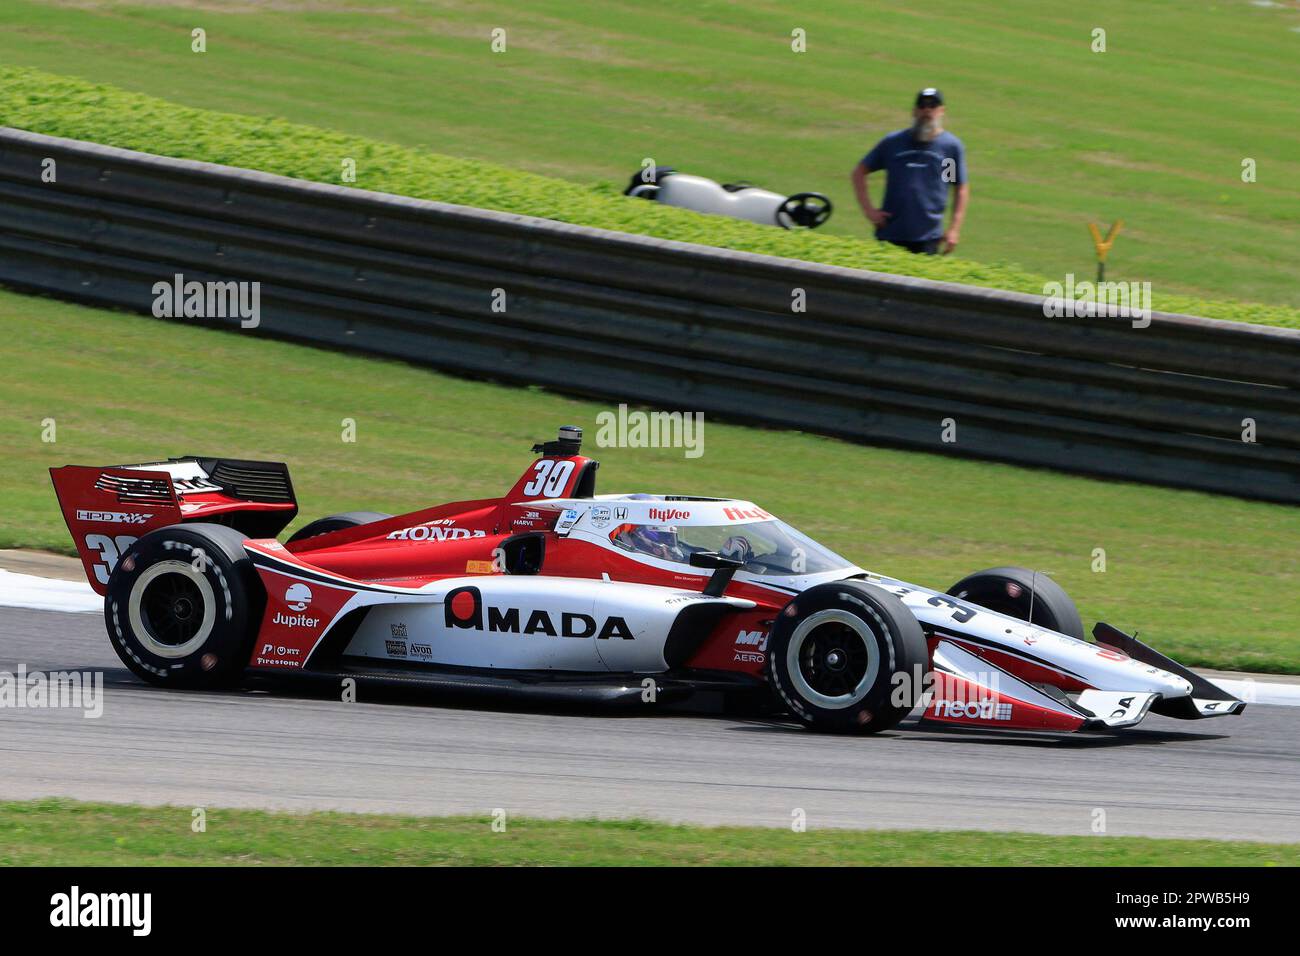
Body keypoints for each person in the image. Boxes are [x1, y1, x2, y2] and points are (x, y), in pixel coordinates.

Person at [851, 87, 969, 255]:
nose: (927, 111)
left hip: (928, 238)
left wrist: (954, 229)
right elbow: (859, 172)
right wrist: (869, 211)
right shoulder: (894, 143)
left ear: (941, 111)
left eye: (932, 106)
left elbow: (954, 185)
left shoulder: (948, 148)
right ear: (914, 111)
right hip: (890, 233)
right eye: (922, 106)